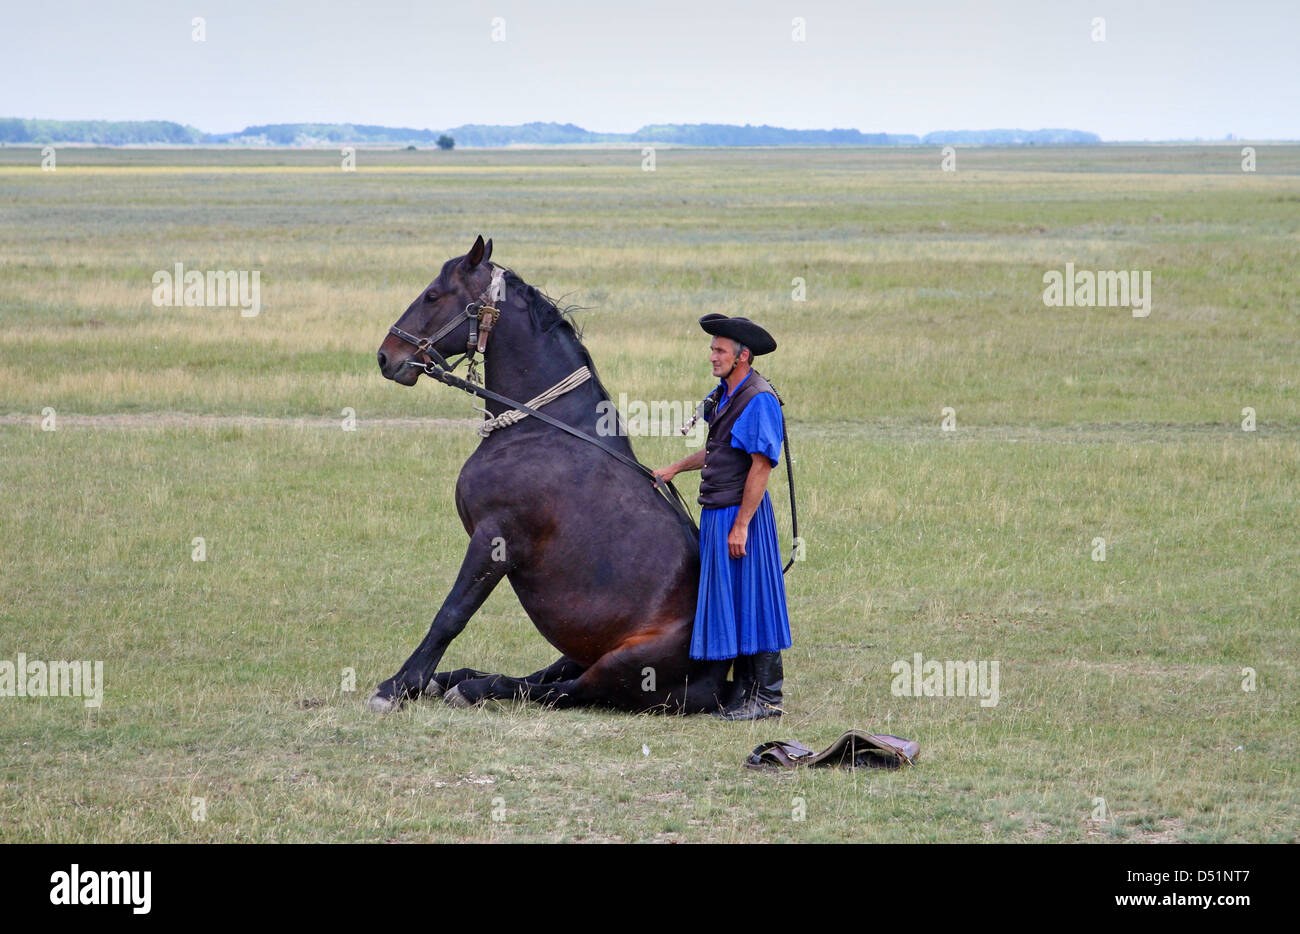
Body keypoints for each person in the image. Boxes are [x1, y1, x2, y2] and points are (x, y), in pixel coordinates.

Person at [653, 313, 792, 720]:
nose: (711, 356)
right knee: (736, 601)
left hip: (740, 515)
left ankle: (767, 698)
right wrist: (675, 467)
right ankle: (744, 693)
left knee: (756, 599)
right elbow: (719, 451)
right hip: (720, 513)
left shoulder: (758, 398)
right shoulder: (727, 392)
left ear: (742, 357)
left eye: (719, 350)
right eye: (712, 349)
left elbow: (761, 466)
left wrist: (743, 525)